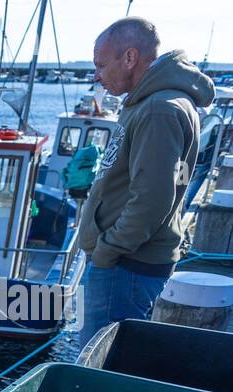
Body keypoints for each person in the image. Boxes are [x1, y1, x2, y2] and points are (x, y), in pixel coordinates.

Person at [77, 17, 215, 347]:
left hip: (124, 267)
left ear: (129, 57)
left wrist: (107, 252)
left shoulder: (158, 110)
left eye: (101, 64)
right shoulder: (156, 103)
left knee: (99, 368)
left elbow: (152, 198)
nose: (97, 76)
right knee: (112, 359)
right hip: (127, 265)